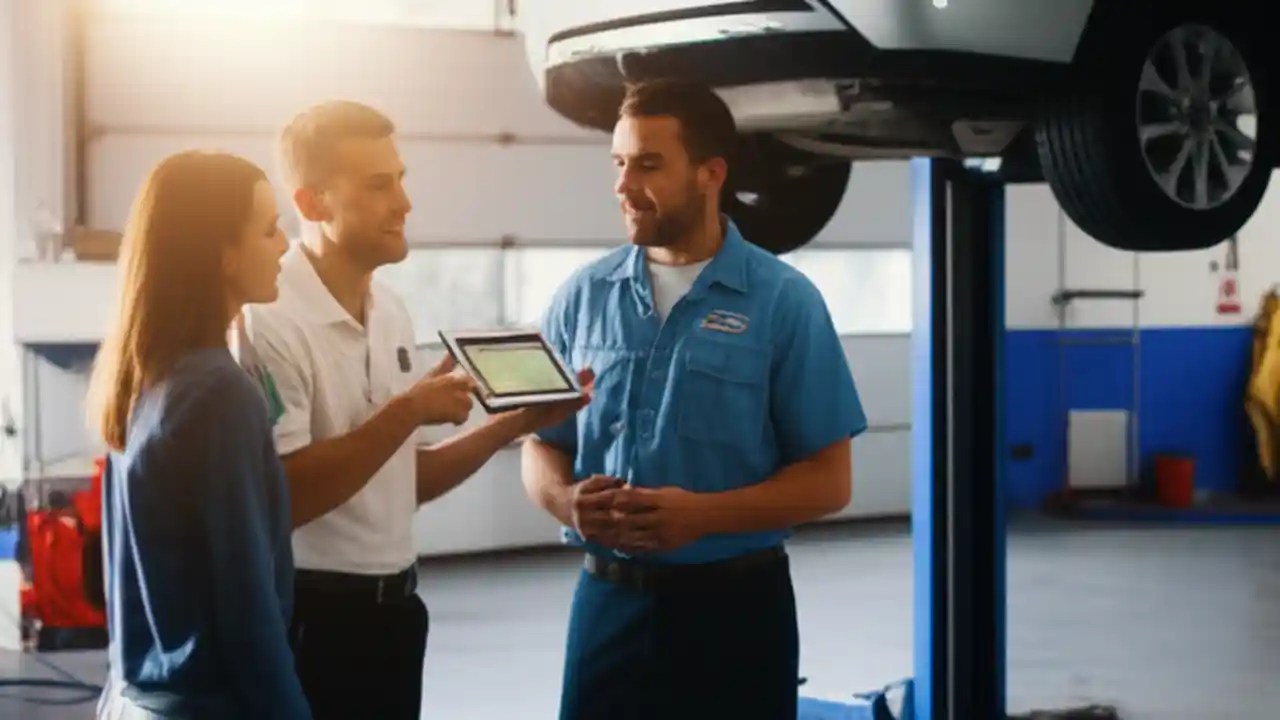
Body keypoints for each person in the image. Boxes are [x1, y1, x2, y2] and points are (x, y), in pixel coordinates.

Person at [521, 79, 868, 720]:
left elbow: (829, 481)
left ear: (711, 173)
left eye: (649, 165)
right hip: (609, 604)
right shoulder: (583, 296)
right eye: (619, 164)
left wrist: (704, 516)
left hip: (738, 613)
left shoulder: (782, 302)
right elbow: (542, 444)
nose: (625, 186)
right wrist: (566, 502)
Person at [239, 100, 589, 720]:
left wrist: (510, 424)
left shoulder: (392, 309)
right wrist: (404, 413)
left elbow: (400, 483)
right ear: (313, 203)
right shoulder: (269, 321)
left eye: (401, 180)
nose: (404, 203)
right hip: (310, 618)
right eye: (379, 185)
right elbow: (289, 497)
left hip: (395, 614)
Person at [88, 151, 309, 719]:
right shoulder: (218, 392)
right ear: (221, 253)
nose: (285, 244)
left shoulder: (141, 378)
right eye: (268, 229)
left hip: (138, 698)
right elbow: (246, 605)